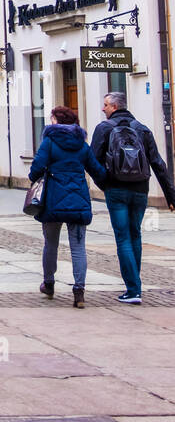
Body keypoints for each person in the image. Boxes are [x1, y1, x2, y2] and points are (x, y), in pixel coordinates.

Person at [90, 90, 175, 303]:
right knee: (135, 234)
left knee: (123, 237)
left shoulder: (104, 128)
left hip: (116, 190)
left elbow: (92, 161)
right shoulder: (142, 129)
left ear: (115, 107)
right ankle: (134, 284)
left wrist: (105, 183)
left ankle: (133, 289)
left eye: (106, 105)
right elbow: (158, 164)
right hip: (140, 189)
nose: (103, 108)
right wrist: (171, 196)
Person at [28, 105, 108, 307]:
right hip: (78, 200)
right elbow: (97, 170)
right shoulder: (82, 144)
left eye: (52, 118)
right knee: (78, 247)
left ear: (56, 120)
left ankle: (49, 283)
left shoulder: (49, 142)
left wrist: (35, 177)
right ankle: (79, 291)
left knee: (51, 244)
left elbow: (36, 168)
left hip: (53, 200)